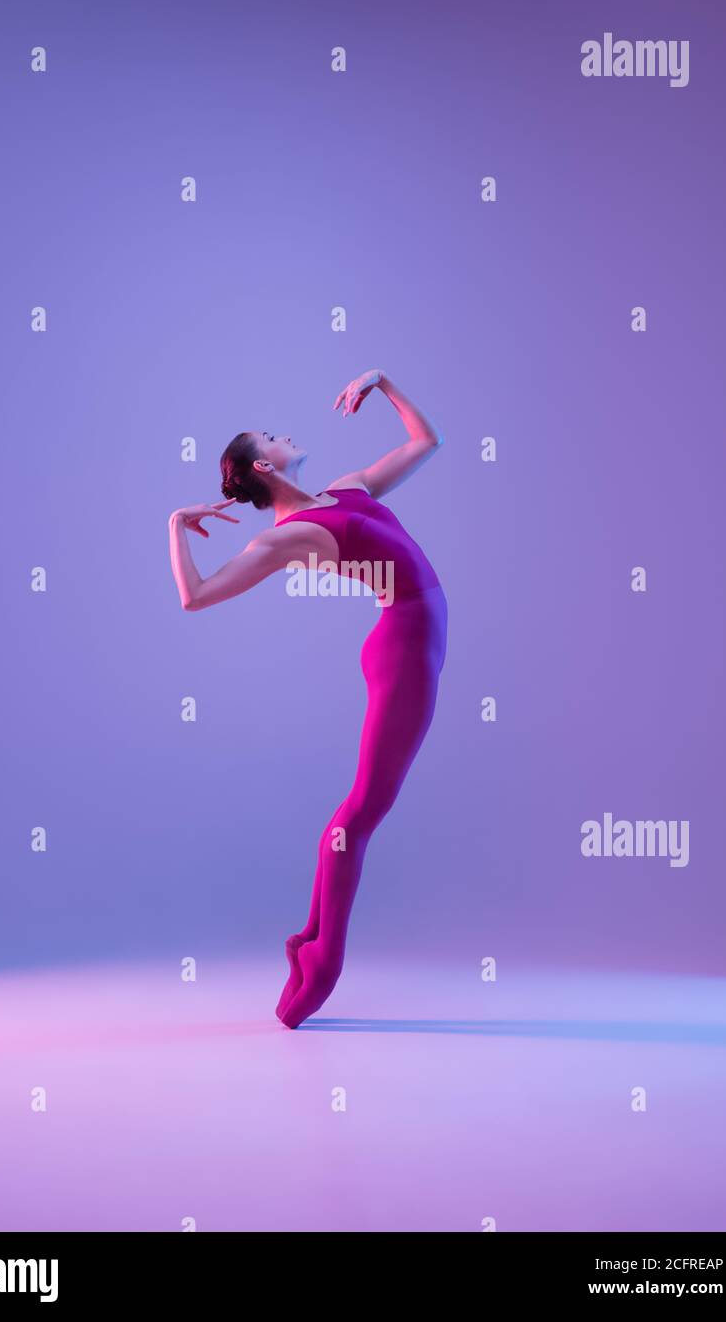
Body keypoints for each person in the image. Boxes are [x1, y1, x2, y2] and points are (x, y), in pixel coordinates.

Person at [168, 370, 447, 1027]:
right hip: (403, 646)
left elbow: (425, 442)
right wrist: (175, 524)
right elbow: (196, 596)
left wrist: (384, 383)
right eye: (271, 436)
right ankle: (320, 965)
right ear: (263, 463)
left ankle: (310, 946)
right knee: (362, 811)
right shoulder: (281, 539)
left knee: (362, 810)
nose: (285, 433)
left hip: (415, 639)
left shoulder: (345, 489)